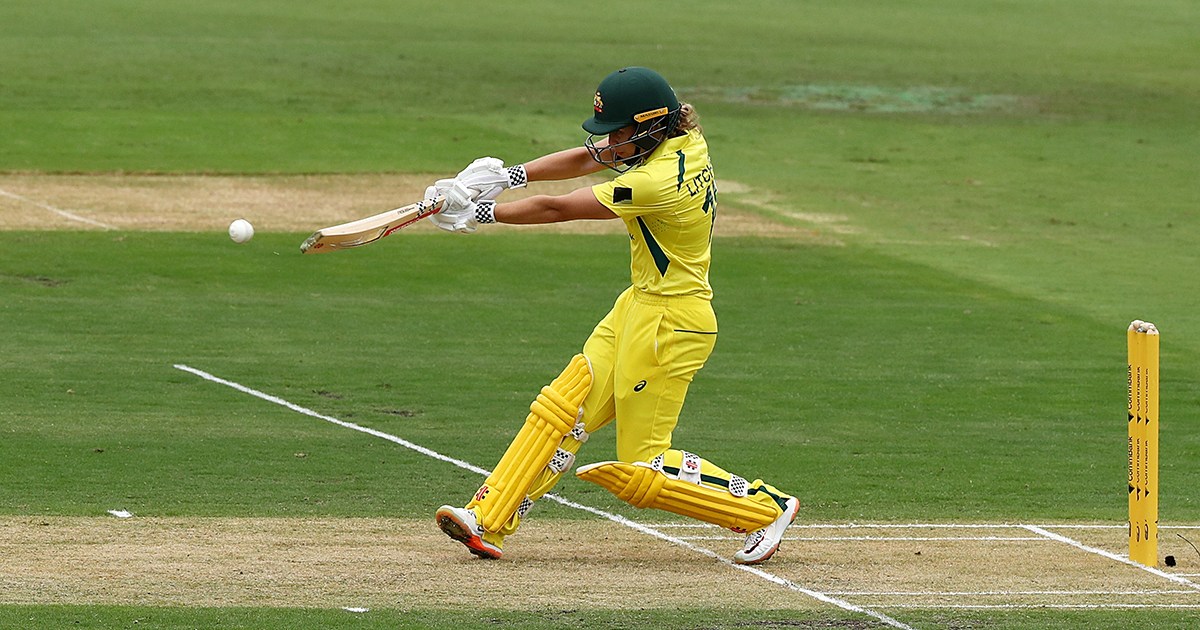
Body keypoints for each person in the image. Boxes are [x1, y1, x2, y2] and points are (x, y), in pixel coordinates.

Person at [427, 67, 799, 565]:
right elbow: (589, 157)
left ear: (648, 126)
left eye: (618, 133)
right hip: (638, 305)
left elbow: (559, 209)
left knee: (643, 464)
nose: (609, 144)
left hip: (673, 324)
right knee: (564, 405)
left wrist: (480, 213)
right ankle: (488, 516)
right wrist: (505, 177)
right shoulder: (680, 140)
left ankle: (764, 508)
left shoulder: (658, 181)